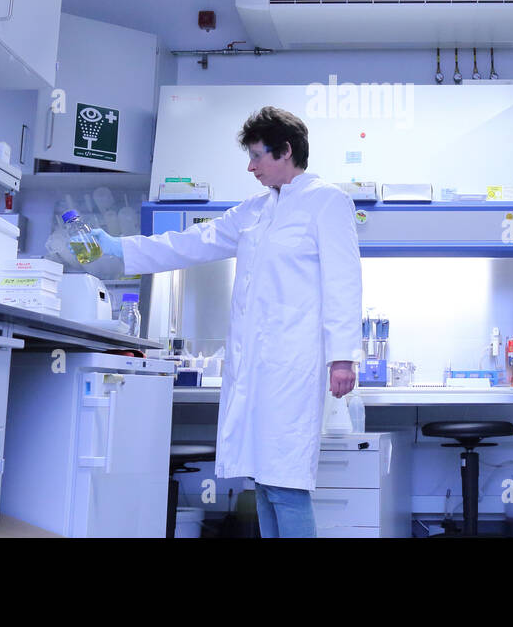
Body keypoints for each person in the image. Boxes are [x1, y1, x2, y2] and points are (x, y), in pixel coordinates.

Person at [92, 106, 362, 538]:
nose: (251, 166)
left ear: (286, 151)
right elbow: (194, 241)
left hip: (293, 365)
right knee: (265, 480)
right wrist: (122, 249)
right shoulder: (253, 209)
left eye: (258, 156)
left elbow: (344, 282)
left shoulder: (327, 202)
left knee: (287, 482)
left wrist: (343, 357)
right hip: (253, 367)